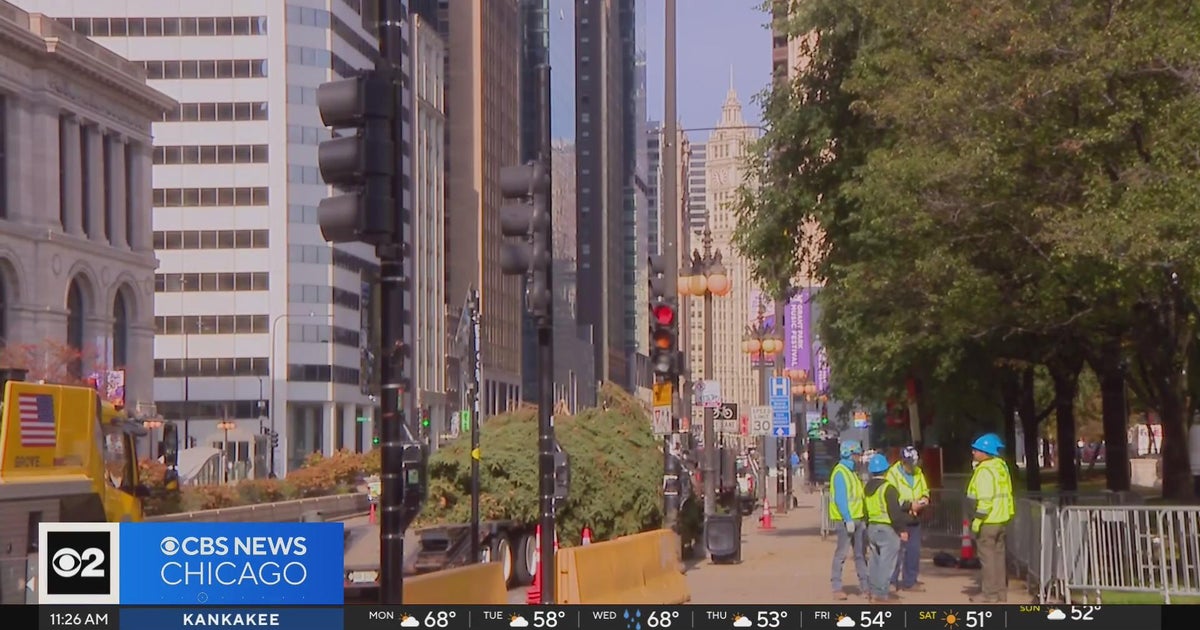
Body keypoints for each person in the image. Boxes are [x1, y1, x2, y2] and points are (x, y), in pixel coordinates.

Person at [966, 433, 1015, 603]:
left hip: (987, 522)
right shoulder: (1001, 468)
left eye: (976, 449)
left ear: (985, 452)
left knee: (988, 560)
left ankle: (990, 595)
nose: (973, 452)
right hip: (1001, 519)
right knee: (998, 558)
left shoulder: (984, 471)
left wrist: (977, 521)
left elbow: (985, 500)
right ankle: (1001, 594)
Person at [864, 453, 911, 602]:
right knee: (887, 563)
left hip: (872, 527)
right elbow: (894, 512)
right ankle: (881, 594)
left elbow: (865, 511)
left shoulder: (867, 488)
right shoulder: (888, 488)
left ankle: (873, 591)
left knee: (874, 562)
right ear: (886, 470)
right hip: (887, 529)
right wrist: (902, 529)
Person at [887, 445, 930, 592]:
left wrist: (922, 501)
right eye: (910, 463)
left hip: (915, 517)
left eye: (915, 463)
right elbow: (892, 499)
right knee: (896, 551)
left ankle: (910, 581)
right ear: (903, 461)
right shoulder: (892, 474)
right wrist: (910, 505)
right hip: (900, 517)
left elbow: (925, 491)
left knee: (914, 551)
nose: (913, 467)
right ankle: (891, 581)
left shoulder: (918, 473)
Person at [829, 439, 868, 600]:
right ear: (849, 454)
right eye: (857, 455)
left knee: (860, 555)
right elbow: (841, 499)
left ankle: (865, 587)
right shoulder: (840, 472)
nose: (859, 458)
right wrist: (848, 518)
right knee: (841, 554)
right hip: (846, 521)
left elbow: (858, 497)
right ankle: (837, 587)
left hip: (858, 519)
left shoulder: (852, 473)